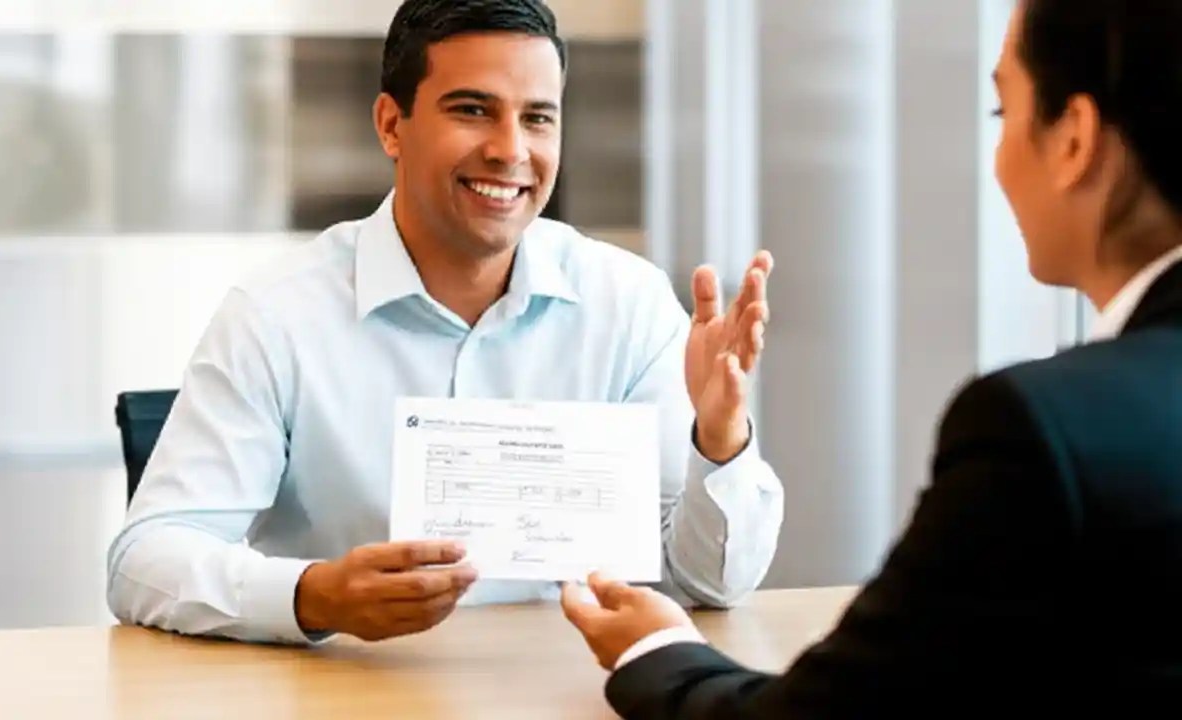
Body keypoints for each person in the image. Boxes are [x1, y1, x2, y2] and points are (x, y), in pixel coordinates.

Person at [561, 0, 1182, 715]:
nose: (999, 157)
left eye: (1000, 113)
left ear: (1073, 140)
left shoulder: (1045, 429)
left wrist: (656, 653)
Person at [107, 0, 784, 646]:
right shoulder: (277, 314)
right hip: (346, 697)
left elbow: (705, 585)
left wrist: (720, 441)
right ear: (391, 125)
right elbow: (145, 561)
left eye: (538, 118)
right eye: (472, 111)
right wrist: (314, 595)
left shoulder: (628, 304)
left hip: (563, 695)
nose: (509, 150)